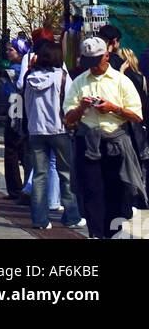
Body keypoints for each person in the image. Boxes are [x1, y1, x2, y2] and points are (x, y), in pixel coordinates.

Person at [64, 34, 144, 239]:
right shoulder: (79, 82)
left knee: (118, 193)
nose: (93, 67)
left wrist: (113, 108)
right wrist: (81, 107)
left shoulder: (121, 81)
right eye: (88, 62)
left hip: (115, 141)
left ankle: (113, 233)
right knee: (91, 192)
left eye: (96, 61)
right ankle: (96, 234)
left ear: (106, 56)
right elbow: (68, 120)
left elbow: (136, 115)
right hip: (88, 142)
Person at [19, 40, 84, 230]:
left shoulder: (29, 77)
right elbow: (71, 100)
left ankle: (40, 219)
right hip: (59, 129)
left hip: (36, 130)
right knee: (66, 173)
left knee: (39, 175)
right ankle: (71, 216)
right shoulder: (62, 77)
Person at [2, 39, 30, 199]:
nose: (7, 52)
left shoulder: (16, 70)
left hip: (15, 105)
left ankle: (14, 188)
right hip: (20, 106)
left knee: (12, 147)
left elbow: (13, 90)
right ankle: (25, 186)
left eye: (11, 50)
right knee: (22, 148)